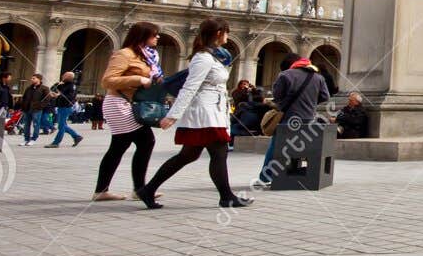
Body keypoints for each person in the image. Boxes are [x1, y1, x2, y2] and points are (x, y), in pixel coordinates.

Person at [137, 18, 251, 209]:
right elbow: (189, 88)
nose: (228, 36)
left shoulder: (214, 56)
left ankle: (148, 190)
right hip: (205, 114)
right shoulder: (203, 58)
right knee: (219, 153)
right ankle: (226, 196)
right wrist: (172, 115)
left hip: (211, 111)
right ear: (218, 33)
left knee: (188, 155)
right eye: (226, 32)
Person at [93, 21, 163, 201]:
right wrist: (139, 79)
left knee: (118, 147)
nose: (158, 37)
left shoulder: (148, 56)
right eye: (154, 34)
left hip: (129, 104)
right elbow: (108, 81)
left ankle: (102, 191)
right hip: (119, 103)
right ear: (142, 36)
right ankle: (140, 190)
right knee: (146, 141)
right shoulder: (124, 54)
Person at [259, 52, 331, 186]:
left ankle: (266, 176)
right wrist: (310, 102)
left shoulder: (285, 75)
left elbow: (278, 97)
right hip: (308, 119)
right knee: (301, 147)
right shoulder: (318, 77)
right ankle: (297, 173)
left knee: (276, 146)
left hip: (288, 118)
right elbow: (325, 97)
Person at [44, 72, 84, 148]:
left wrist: (59, 95)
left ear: (69, 77)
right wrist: (57, 84)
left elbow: (70, 97)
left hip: (66, 107)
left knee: (61, 126)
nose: (62, 76)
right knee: (63, 125)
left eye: (64, 75)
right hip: (61, 106)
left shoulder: (72, 86)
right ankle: (76, 136)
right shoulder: (62, 85)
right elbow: (52, 88)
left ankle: (56, 142)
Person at [16, 74, 47, 145]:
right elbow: (24, 98)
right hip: (27, 109)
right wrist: (22, 106)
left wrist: (40, 106)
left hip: (36, 109)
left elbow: (46, 100)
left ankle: (34, 138)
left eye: (34, 78)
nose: (32, 79)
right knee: (26, 124)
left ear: (39, 79)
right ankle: (26, 139)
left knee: (36, 124)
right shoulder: (28, 88)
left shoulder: (44, 88)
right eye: (32, 78)